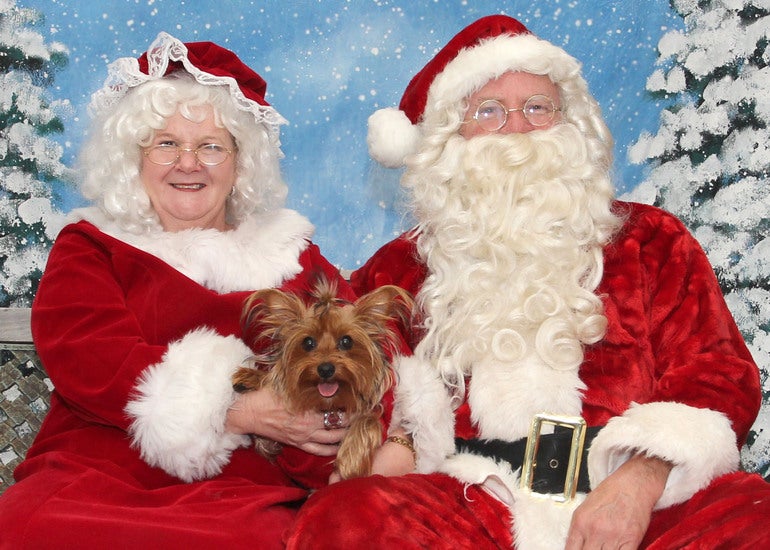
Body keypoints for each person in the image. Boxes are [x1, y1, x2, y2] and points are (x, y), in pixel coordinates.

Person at [285, 14, 770, 550]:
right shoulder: (397, 270)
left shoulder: (651, 241)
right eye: (489, 111)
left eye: (538, 108)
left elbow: (717, 376)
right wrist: (397, 440)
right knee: (348, 521)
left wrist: (640, 479)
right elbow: (342, 380)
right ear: (448, 137)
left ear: (572, 124)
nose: (517, 128)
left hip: (635, 494)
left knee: (751, 519)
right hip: (467, 501)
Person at [0, 32, 359, 549]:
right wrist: (237, 409)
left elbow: (360, 345)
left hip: (242, 485)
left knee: (255, 539)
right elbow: (91, 358)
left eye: (211, 146)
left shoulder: (291, 256)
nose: (188, 163)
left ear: (240, 164)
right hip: (95, 470)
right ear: (135, 157)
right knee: (28, 528)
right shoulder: (91, 245)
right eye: (166, 143)